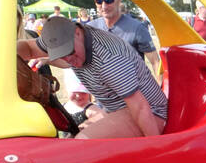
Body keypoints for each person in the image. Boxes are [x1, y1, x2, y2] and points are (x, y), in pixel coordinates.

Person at [18, 16, 167, 139]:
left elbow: (140, 108)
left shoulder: (110, 59)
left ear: (77, 32)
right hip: (117, 109)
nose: (68, 59)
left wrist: (156, 147)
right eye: (61, 55)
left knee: (82, 143)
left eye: (69, 51)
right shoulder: (59, 38)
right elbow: (28, 48)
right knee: (69, 138)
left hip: (151, 113)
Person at [88, 0, 157, 65]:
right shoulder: (89, 29)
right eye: (98, 1)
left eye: (109, 0)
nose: (104, 6)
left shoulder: (137, 28)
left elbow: (156, 62)